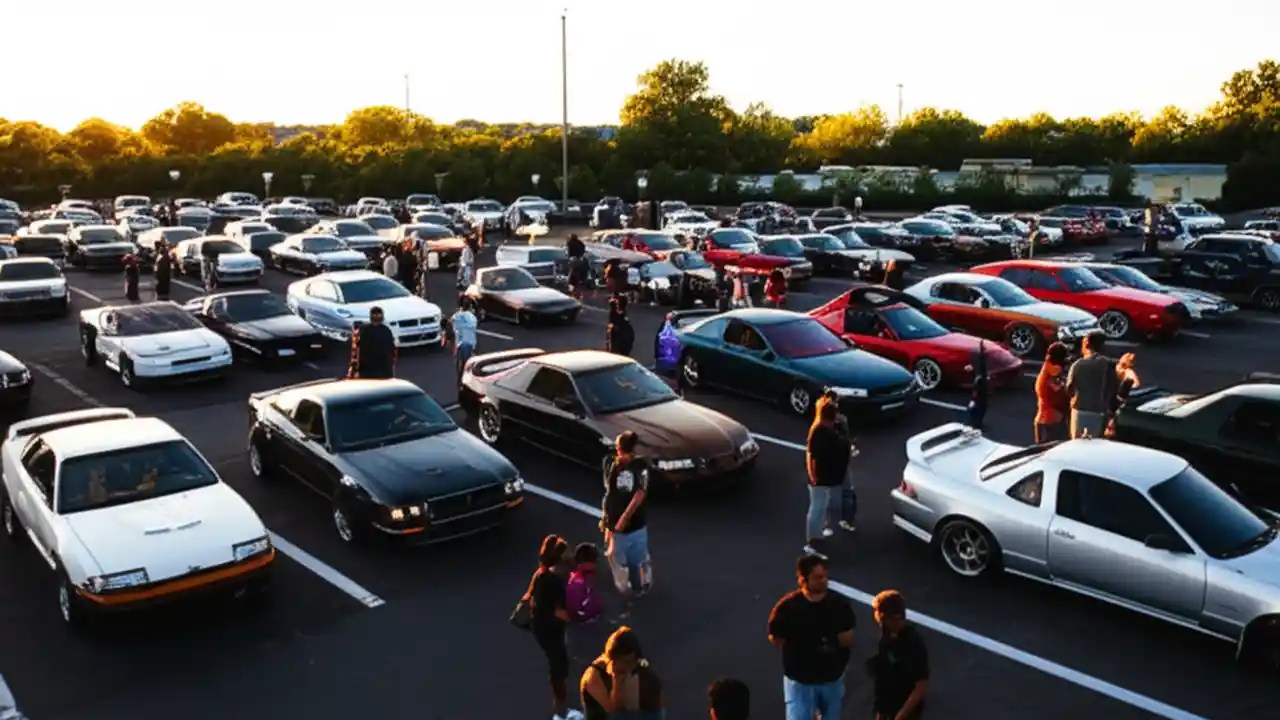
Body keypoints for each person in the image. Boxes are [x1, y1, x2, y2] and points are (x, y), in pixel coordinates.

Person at [767, 555, 856, 720]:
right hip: (800, 681)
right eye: (817, 577)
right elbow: (775, 637)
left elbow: (848, 637)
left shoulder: (839, 604)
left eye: (824, 576)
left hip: (831, 677)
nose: (823, 581)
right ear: (803, 579)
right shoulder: (787, 608)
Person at [525, 535, 581, 720]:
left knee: (558, 659)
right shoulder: (551, 580)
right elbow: (550, 609)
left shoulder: (543, 574)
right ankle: (560, 710)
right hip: (548, 629)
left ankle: (561, 697)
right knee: (557, 664)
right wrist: (571, 615)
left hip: (543, 627)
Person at [601, 431, 651, 616]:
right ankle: (638, 586)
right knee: (632, 558)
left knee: (623, 560)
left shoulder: (633, 469)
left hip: (626, 525)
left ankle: (628, 594)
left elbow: (637, 496)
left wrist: (621, 520)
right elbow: (612, 495)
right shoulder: (621, 466)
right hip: (627, 524)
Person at [868, 590, 929, 720]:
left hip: (905, 712)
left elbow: (920, 687)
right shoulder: (887, 635)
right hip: (887, 707)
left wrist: (900, 716)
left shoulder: (914, 644)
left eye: (880, 616)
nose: (878, 619)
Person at [580, 627, 664, 720]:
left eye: (632, 661)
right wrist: (617, 679)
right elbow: (616, 712)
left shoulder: (641, 672)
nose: (628, 666)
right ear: (613, 660)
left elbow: (655, 710)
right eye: (624, 661)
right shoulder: (595, 676)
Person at [804, 401, 851, 558]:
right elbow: (814, 457)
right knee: (817, 508)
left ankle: (817, 536)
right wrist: (813, 476)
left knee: (820, 506)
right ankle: (813, 542)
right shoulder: (819, 433)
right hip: (820, 478)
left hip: (823, 477)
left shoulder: (821, 430)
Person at [817, 391, 858, 534]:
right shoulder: (842, 420)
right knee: (847, 491)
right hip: (841, 461)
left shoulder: (821, 422)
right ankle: (847, 521)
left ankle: (825, 524)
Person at [1065, 333, 1116, 438]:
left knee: (1076, 442)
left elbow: (1069, 389)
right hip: (1099, 410)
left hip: (1080, 408)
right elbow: (1113, 387)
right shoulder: (1108, 363)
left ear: (1087, 345)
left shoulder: (1078, 365)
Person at [1034, 342, 1070, 443]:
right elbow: (1062, 392)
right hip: (1052, 421)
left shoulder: (1046, 369)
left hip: (1043, 418)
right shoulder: (1054, 371)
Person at [347, 306, 397, 379]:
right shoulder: (386, 331)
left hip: (368, 370)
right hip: (383, 370)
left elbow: (355, 350)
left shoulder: (363, 330)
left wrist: (354, 368)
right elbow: (392, 351)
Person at [566, 543, 603, 625]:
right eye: (593, 561)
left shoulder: (584, 578)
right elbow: (575, 609)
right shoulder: (576, 585)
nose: (595, 564)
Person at [1106, 353, 1141, 437]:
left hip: (1115, 397)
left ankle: (1110, 429)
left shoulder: (1128, 372)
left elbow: (1136, 384)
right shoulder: (1116, 367)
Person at [448, 295, 478, 382]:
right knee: (469, 367)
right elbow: (474, 327)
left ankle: (460, 381)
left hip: (459, 345)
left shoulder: (455, 316)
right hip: (469, 345)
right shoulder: (472, 318)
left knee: (460, 367)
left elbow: (450, 326)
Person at [968, 340, 989, 430]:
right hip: (981, 396)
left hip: (981, 396)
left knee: (978, 409)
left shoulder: (978, 378)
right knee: (980, 409)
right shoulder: (980, 378)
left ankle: (976, 423)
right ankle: (977, 424)